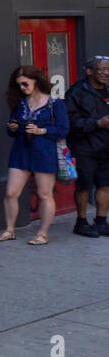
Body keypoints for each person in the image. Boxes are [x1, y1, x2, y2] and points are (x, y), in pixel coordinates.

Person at [0, 66, 69, 246]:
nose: (22, 88)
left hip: (44, 151)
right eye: (19, 85)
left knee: (44, 194)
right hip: (21, 151)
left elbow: (63, 129)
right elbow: (12, 129)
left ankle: (42, 233)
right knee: (11, 192)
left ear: (36, 80)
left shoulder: (55, 103)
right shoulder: (20, 104)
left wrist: (40, 130)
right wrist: (12, 127)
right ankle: (9, 230)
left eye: (25, 83)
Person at [66, 56, 109, 238]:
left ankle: (101, 222)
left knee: (105, 185)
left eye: (108, 70)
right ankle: (81, 222)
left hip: (106, 147)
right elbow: (71, 123)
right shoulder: (76, 92)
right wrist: (98, 123)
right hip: (84, 148)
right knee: (83, 187)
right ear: (89, 71)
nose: (105, 73)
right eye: (101, 69)